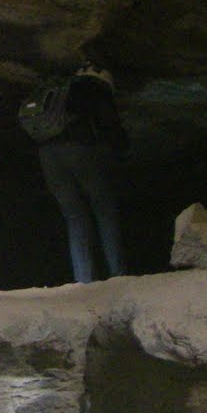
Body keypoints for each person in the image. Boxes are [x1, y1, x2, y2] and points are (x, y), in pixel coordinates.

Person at [32, 61, 129, 284]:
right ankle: (118, 274)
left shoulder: (61, 93)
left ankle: (83, 280)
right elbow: (113, 131)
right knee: (104, 210)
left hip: (47, 155)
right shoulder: (96, 91)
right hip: (80, 150)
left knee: (75, 217)